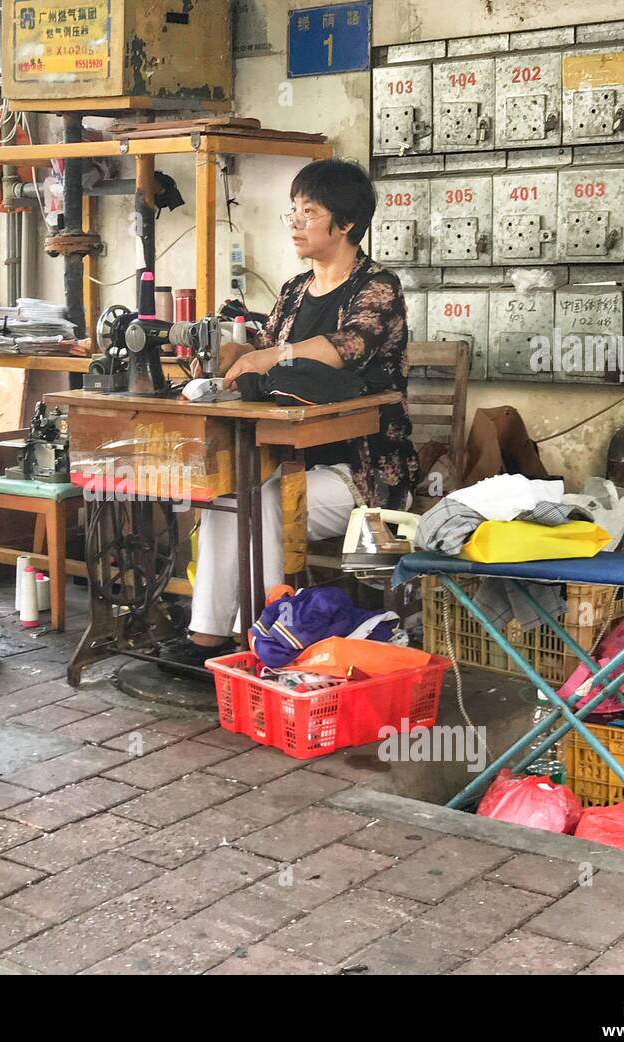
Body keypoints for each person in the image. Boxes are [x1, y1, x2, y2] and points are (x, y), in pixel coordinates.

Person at [160, 159, 420, 669]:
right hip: (291, 458)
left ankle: (257, 643)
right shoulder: (295, 290)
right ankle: (207, 639)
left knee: (270, 504)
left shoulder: (378, 287)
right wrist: (233, 356)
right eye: (293, 212)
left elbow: (350, 346)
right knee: (226, 498)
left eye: (309, 211)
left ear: (344, 224)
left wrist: (270, 356)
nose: (296, 222)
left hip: (363, 472)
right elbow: (264, 347)